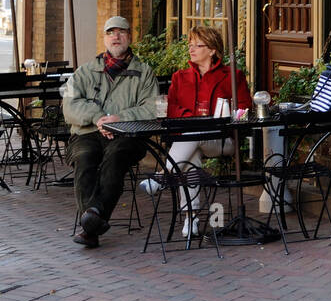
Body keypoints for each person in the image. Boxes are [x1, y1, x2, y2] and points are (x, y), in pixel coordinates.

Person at [140, 24, 251, 237]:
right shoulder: (180, 77)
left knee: (193, 137)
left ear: (212, 50)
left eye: (197, 45)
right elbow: (171, 107)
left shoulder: (232, 76)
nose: (191, 49)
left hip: (222, 140)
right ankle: (190, 219)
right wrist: (191, 119)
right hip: (191, 140)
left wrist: (228, 113)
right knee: (190, 161)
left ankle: (162, 176)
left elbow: (245, 109)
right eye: (190, 45)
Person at [63, 16, 159, 249]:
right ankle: (94, 220)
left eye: (121, 32)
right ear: (104, 38)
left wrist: (119, 119)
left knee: (115, 157)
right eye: (110, 32)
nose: (116, 37)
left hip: (128, 135)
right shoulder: (85, 71)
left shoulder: (144, 72)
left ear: (130, 36)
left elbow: (152, 107)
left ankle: (91, 222)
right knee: (85, 158)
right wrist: (98, 118)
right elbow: (69, 106)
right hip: (88, 133)